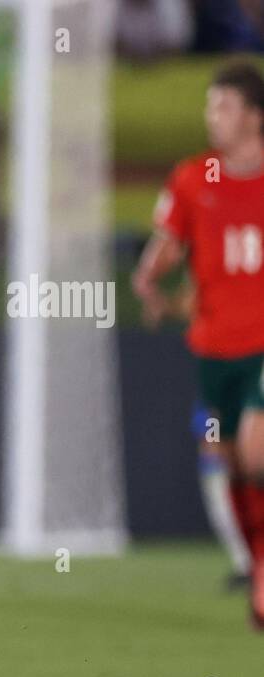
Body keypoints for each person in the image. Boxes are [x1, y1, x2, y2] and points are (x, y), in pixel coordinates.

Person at [133, 61, 264, 624]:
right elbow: (167, 244)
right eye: (210, 106)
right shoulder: (194, 178)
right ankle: (257, 562)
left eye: (224, 106)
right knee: (232, 463)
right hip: (215, 346)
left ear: (254, 116)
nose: (213, 117)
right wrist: (148, 281)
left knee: (258, 451)